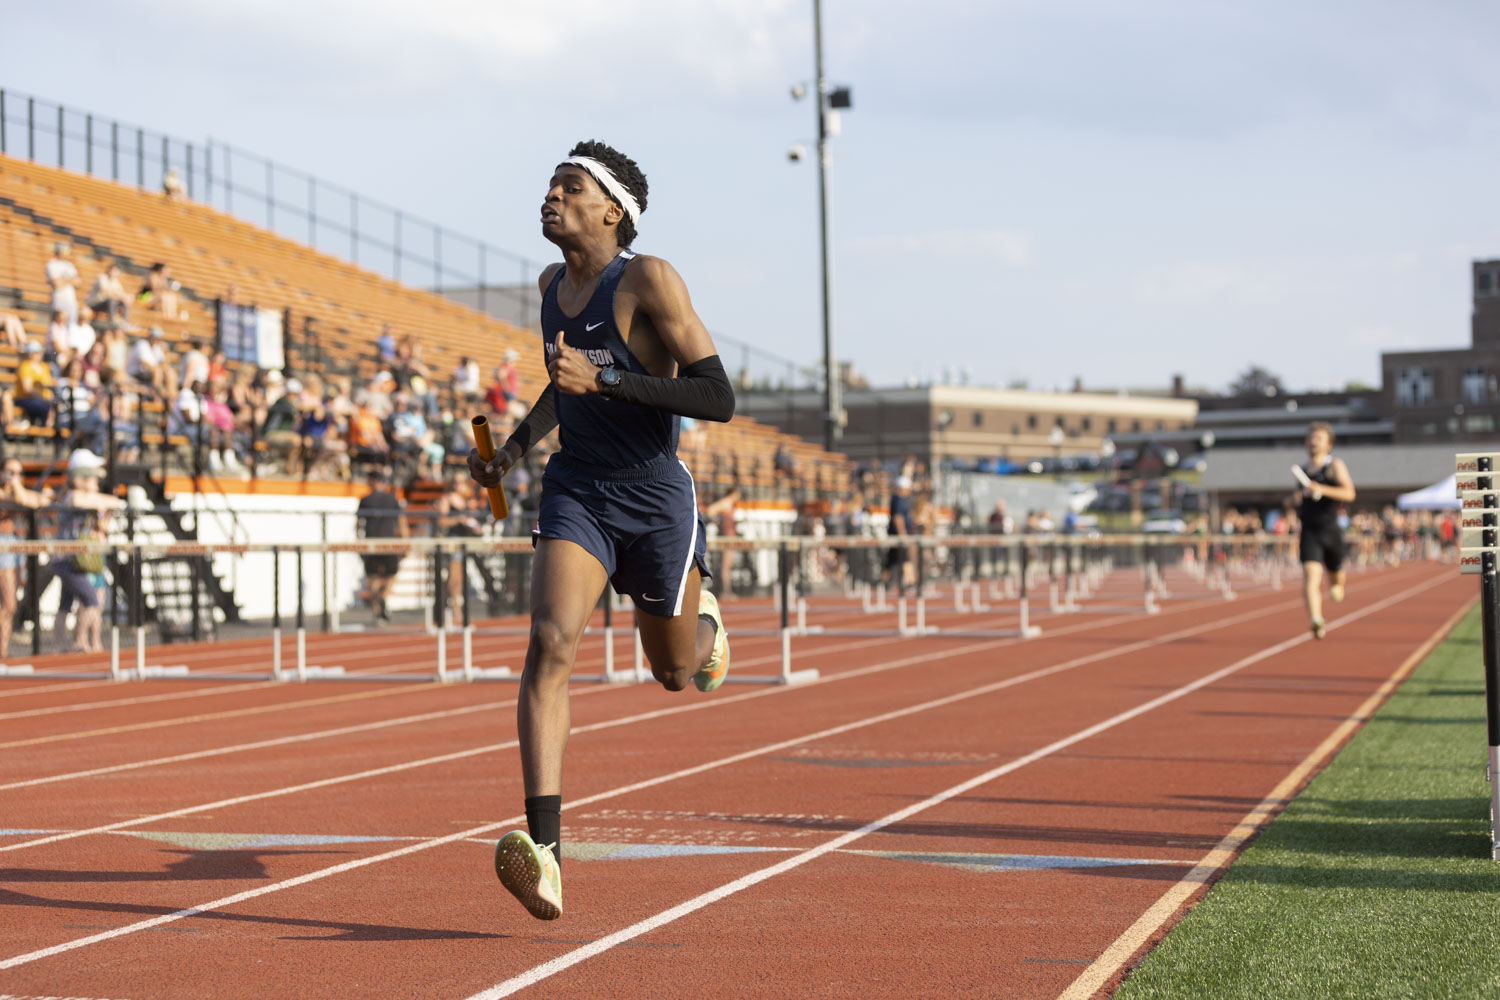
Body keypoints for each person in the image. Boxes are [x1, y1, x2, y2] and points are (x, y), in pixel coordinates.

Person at [467, 140, 735, 921]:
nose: (551, 195)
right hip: (578, 487)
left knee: (674, 672)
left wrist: (610, 378)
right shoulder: (551, 285)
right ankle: (546, 852)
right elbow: (563, 389)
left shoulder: (649, 279)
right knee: (550, 643)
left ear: (612, 210)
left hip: (654, 495)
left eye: (569, 186)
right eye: (550, 183)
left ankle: (705, 623)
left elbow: (718, 396)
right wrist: (512, 451)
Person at [1295, 421, 1356, 639]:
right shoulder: (1301, 471)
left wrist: (1321, 488)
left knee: (1336, 579)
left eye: (1318, 438)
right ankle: (1316, 619)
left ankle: (1336, 584)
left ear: (1328, 444)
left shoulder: (1334, 466)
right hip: (1309, 531)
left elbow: (1349, 494)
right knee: (1311, 576)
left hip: (1331, 530)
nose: (1313, 442)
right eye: (1310, 438)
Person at [0, 459, 52, 658]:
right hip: (3, 545)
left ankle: (2, 650)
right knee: (8, 603)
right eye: (11, 471)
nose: (15, 476)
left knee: (10, 604)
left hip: (12, 547)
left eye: (18, 473)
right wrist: (16, 486)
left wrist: (18, 487)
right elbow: (23, 500)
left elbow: (40, 501)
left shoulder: (14, 491)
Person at [355, 469, 408, 622]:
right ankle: (382, 598)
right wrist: (405, 542)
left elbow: (358, 525)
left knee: (373, 577)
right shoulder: (391, 499)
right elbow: (402, 521)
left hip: (372, 543)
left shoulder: (365, 500)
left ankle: (378, 610)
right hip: (389, 543)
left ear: (372, 481)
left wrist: (359, 543)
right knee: (391, 574)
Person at [15, 342, 55, 426]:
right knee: (43, 407)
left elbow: (48, 385)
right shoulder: (25, 366)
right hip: (25, 399)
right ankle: (43, 430)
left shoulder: (44, 367)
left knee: (54, 406)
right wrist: (43, 395)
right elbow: (27, 389)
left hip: (40, 400)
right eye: (35, 352)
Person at [45, 243, 79, 328]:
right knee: (57, 326)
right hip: (59, 300)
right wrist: (70, 280)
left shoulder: (70, 265)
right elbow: (57, 284)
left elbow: (78, 283)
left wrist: (64, 280)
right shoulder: (52, 264)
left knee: (71, 327)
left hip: (71, 301)